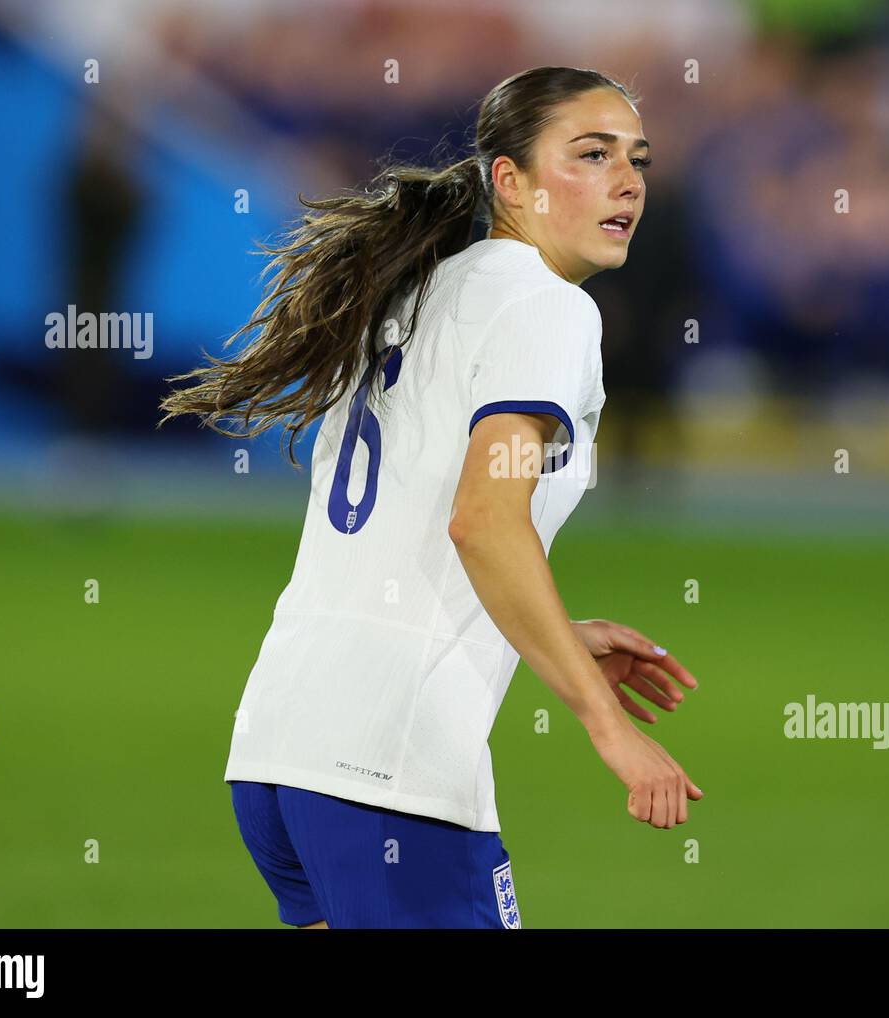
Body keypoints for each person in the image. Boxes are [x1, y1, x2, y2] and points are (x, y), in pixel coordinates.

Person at [158, 66, 702, 929]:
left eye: (637, 159)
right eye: (591, 154)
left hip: (277, 751)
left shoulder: (412, 294)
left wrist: (548, 632)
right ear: (509, 181)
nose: (627, 180)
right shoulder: (547, 309)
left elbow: (416, 529)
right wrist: (608, 725)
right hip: (389, 773)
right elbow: (483, 520)